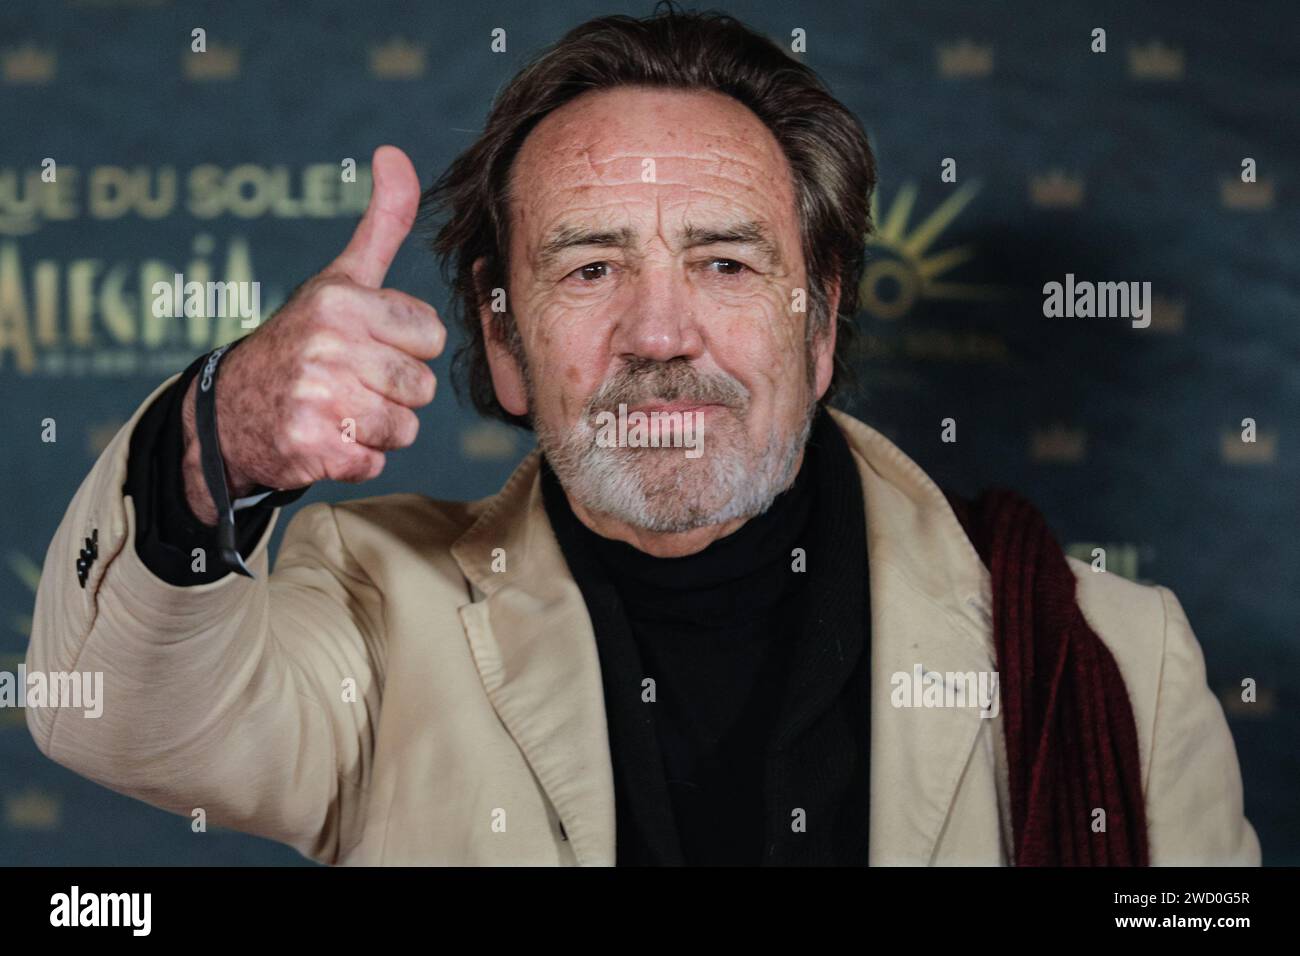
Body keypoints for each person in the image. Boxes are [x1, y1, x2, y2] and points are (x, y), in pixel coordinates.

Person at [26, 7, 1259, 866]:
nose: (659, 331)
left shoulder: (1110, 659)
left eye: (724, 261)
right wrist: (220, 437)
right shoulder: (377, 610)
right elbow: (109, 717)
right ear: (502, 345)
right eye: (590, 266)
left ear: (819, 324)